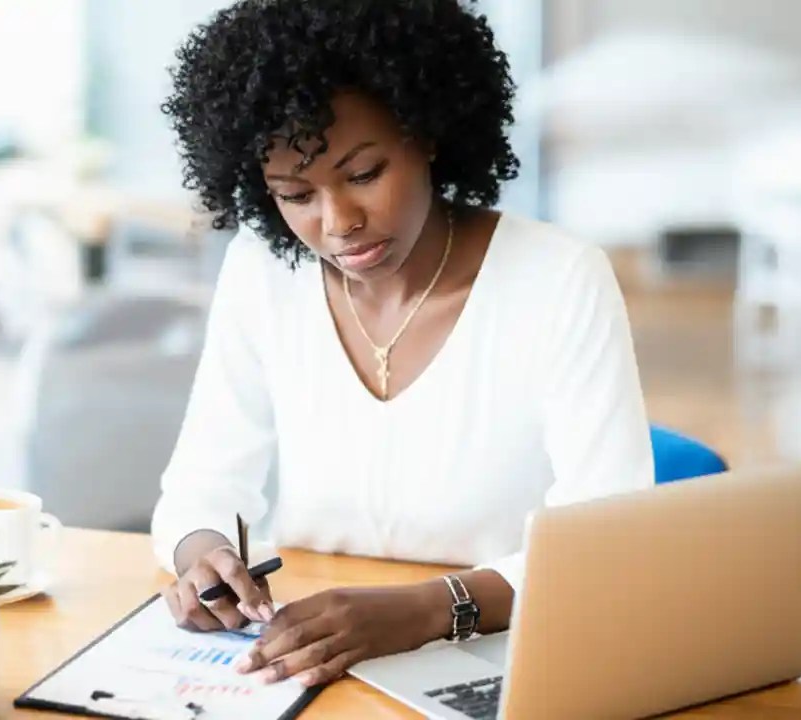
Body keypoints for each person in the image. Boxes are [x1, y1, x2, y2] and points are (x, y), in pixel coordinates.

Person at [151, 0, 654, 689]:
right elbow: (202, 482)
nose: (338, 223)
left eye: (363, 175)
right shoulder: (264, 271)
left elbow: (609, 539)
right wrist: (203, 556)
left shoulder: (559, 279)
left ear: (428, 134)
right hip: (310, 660)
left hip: (508, 657)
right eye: (295, 194)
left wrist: (427, 610)